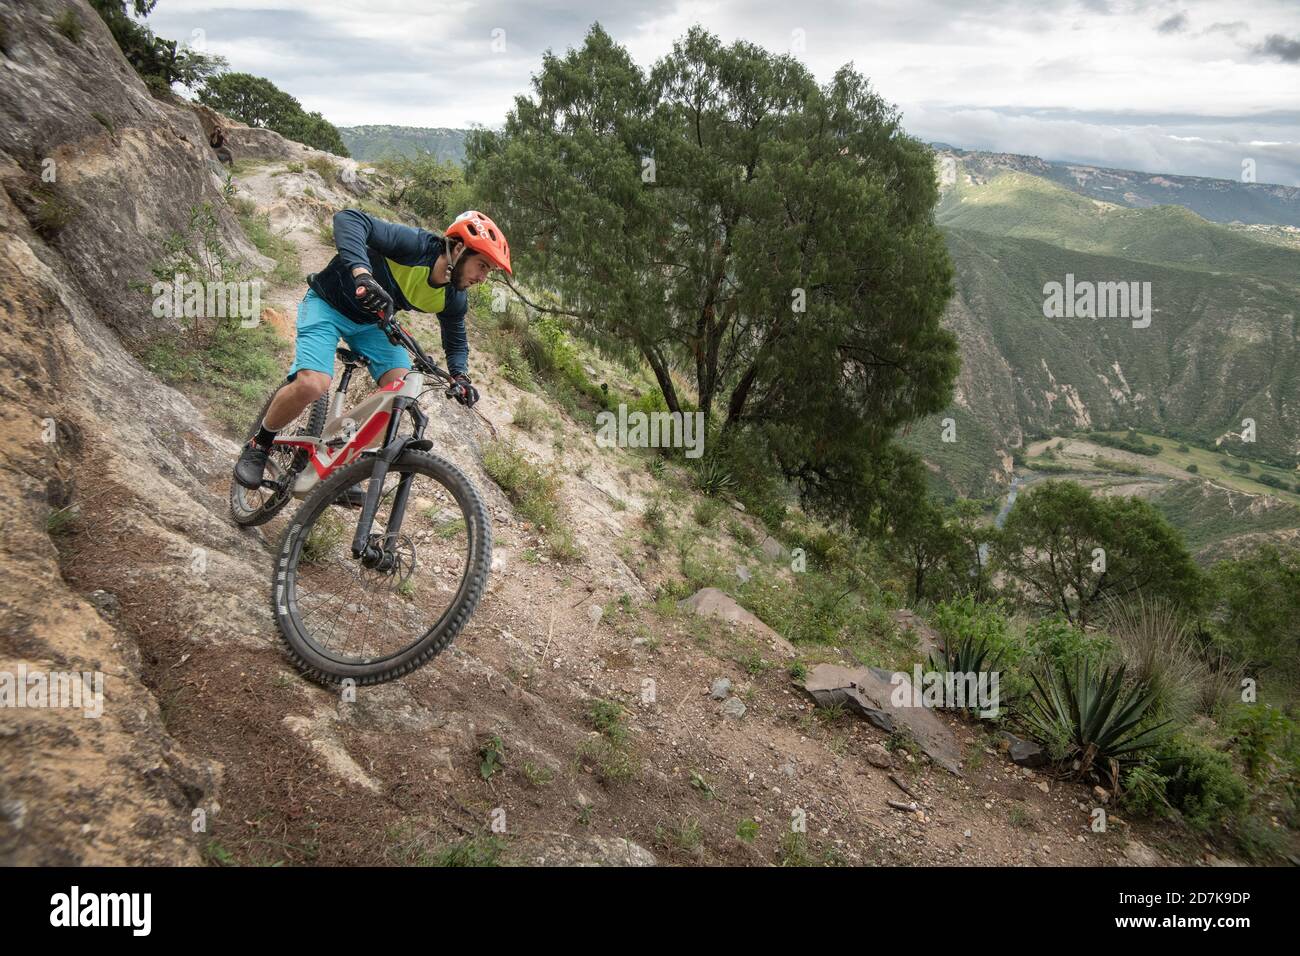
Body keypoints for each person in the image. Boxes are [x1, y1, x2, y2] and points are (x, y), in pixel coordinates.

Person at [233, 208, 511, 490]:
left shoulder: (453, 296)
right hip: (327, 304)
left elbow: (455, 337)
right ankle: (260, 444)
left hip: (372, 325)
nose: (483, 277)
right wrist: (362, 273)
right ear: (460, 248)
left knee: (402, 392)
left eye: (489, 270)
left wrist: (460, 375)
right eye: (483, 265)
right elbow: (349, 220)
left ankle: (341, 468)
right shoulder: (415, 246)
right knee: (313, 384)